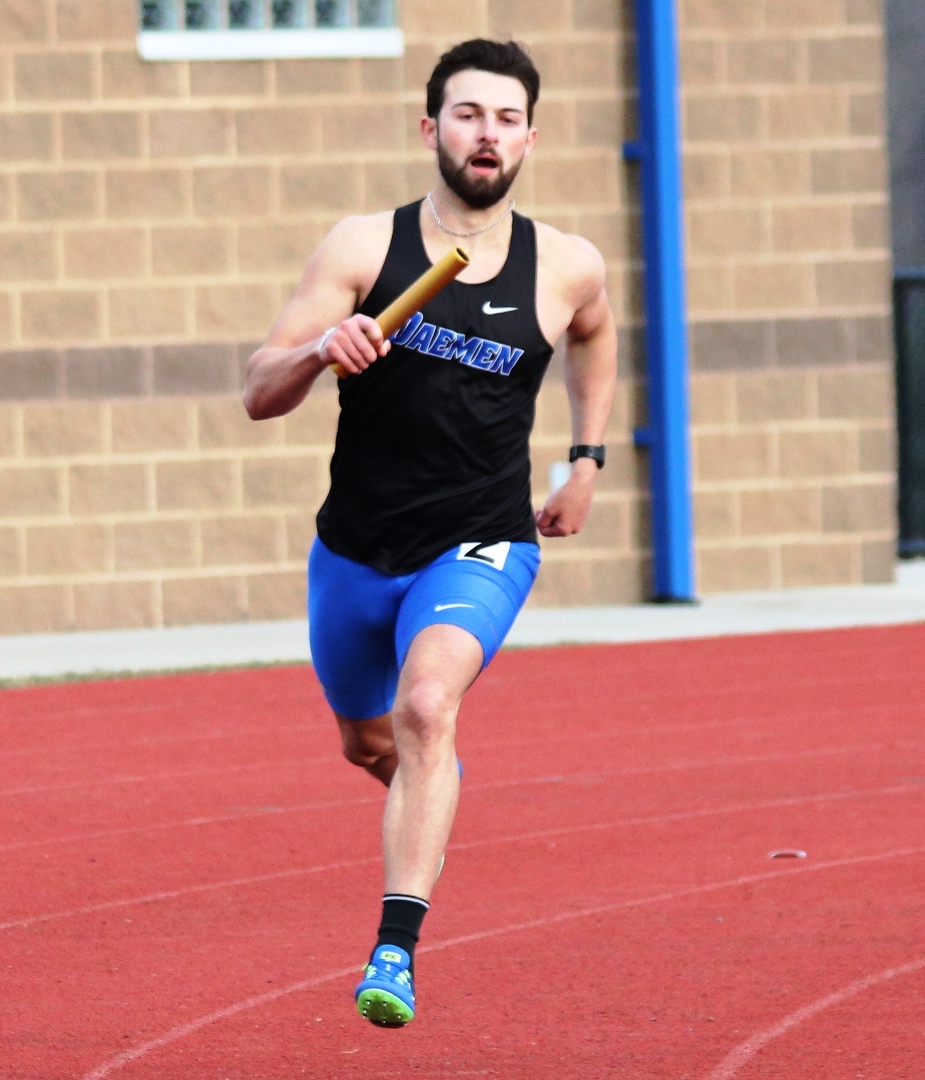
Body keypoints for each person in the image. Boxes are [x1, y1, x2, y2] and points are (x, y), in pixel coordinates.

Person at [242, 38, 617, 1029]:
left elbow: (595, 334)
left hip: (482, 540)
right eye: (466, 115)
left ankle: (394, 954)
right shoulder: (363, 249)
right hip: (356, 553)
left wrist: (586, 460)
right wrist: (324, 350)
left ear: (529, 137)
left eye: (504, 119)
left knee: (424, 707)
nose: (485, 135)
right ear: (431, 129)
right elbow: (256, 392)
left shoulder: (567, 264)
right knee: (374, 743)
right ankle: (430, 788)